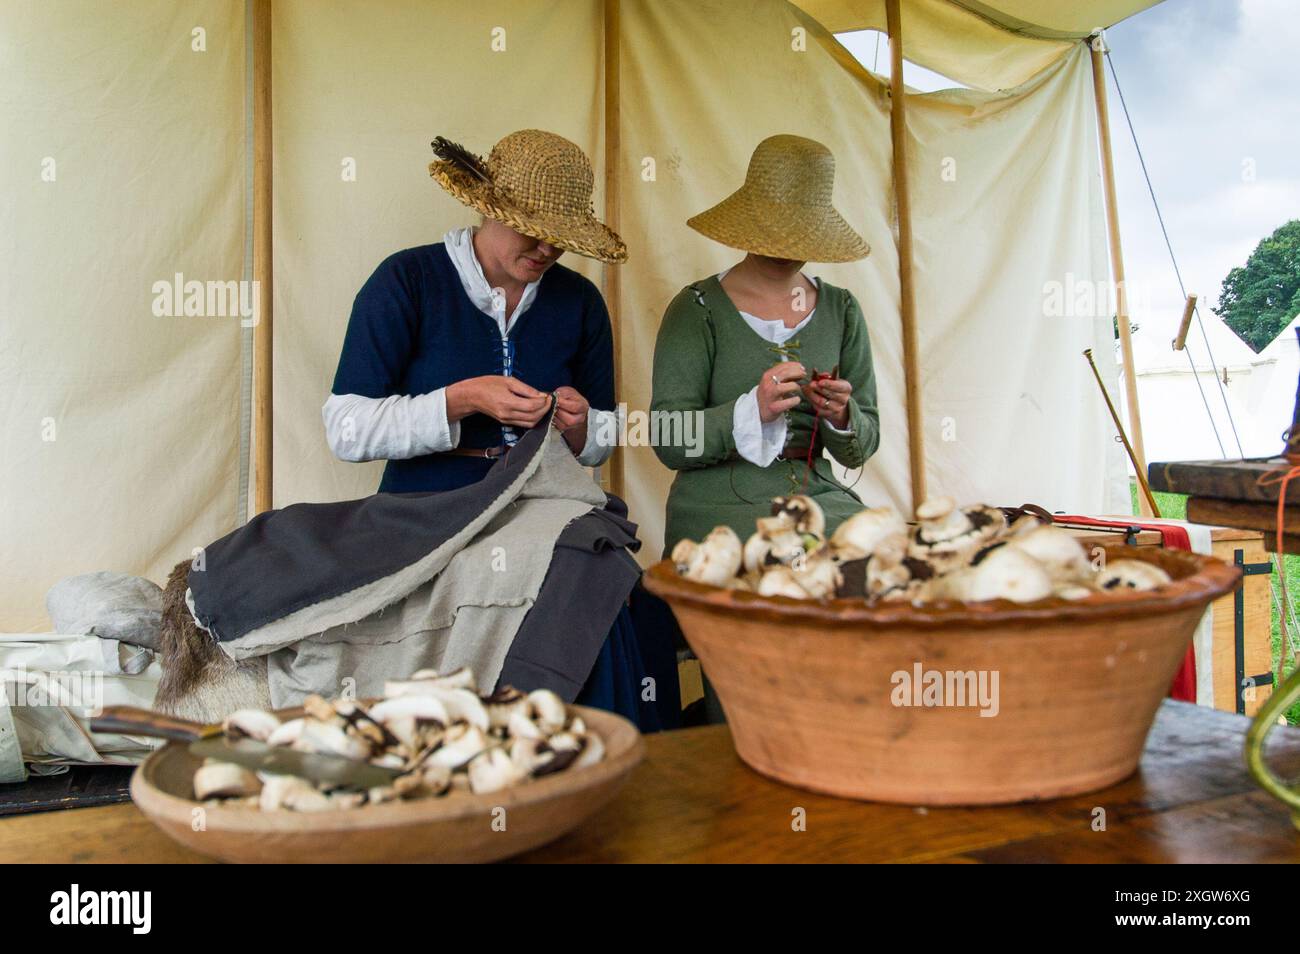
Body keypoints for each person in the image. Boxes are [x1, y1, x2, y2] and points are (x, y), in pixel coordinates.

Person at [323, 129, 675, 730]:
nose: (545, 248)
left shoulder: (579, 301)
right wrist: (460, 400)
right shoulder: (408, 280)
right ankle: (485, 745)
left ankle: (600, 752)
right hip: (426, 508)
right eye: (529, 229)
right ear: (488, 209)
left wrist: (581, 427)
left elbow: (602, 435)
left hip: (545, 503)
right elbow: (346, 428)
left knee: (607, 582)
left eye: (559, 237)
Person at [651, 133, 881, 554]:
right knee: (791, 558)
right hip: (716, 506)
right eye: (774, 231)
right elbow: (668, 437)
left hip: (819, 501)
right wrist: (750, 410)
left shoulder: (842, 309)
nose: (785, 249)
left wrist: (841, 415)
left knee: (886, 555)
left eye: (800, 235)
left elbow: (861, 449)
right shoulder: (697, 308)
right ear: (748, 222)